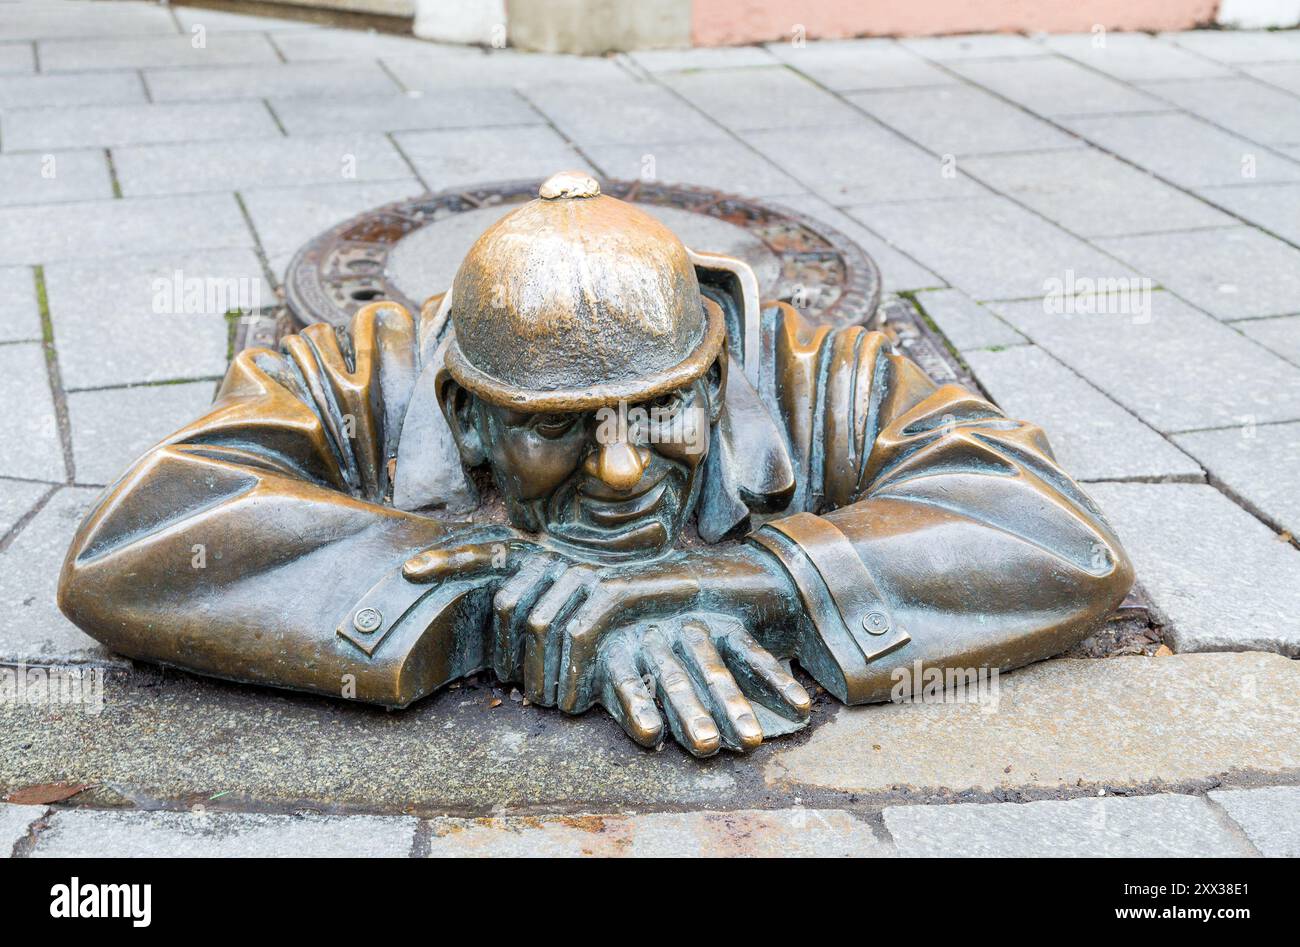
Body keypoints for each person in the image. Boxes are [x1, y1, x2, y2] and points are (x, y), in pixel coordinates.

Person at [59, 172, 1133, 757]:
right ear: (464, 414)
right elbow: (139, 543)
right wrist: (494, 590)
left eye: (661, 411)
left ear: (714, 379)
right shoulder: (351, 377)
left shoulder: (823, 377)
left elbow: (1052, 533)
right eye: (555, 427)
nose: (620, 472)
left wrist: (739, 578)